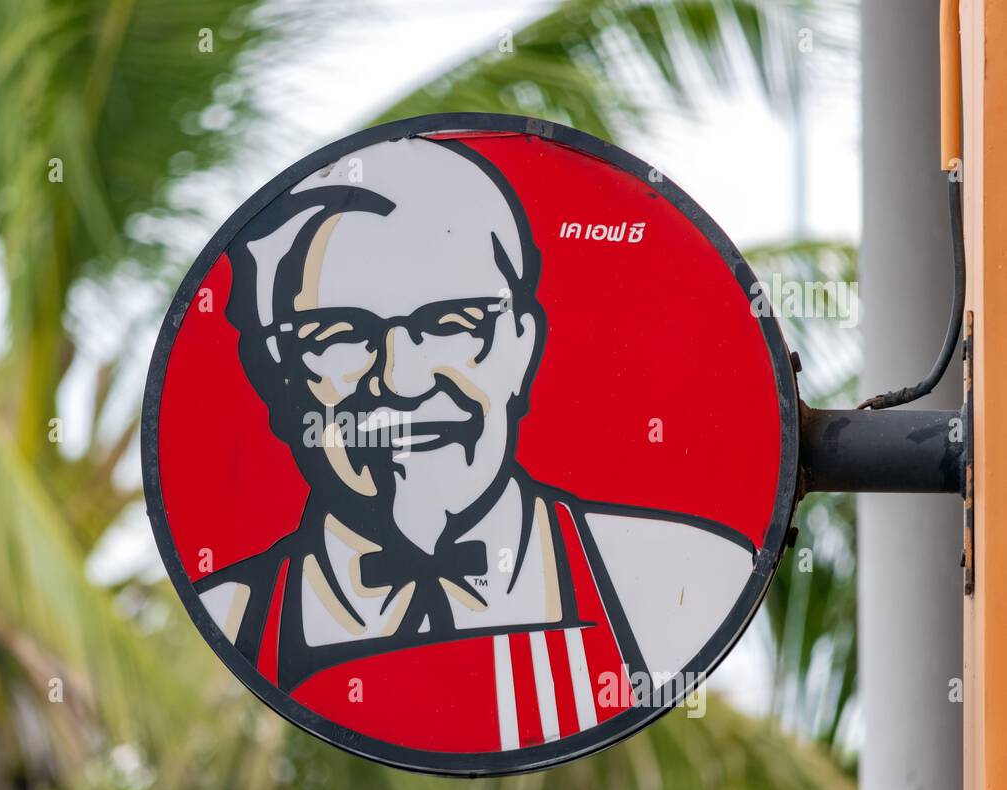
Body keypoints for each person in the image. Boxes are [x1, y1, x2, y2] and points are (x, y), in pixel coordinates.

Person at [195, 136, 753, 754]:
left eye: (452, 325)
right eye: (339, 334)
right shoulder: (225, 620)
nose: (403, 380)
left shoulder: (686, 576)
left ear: (521, 345)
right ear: (279, 376)